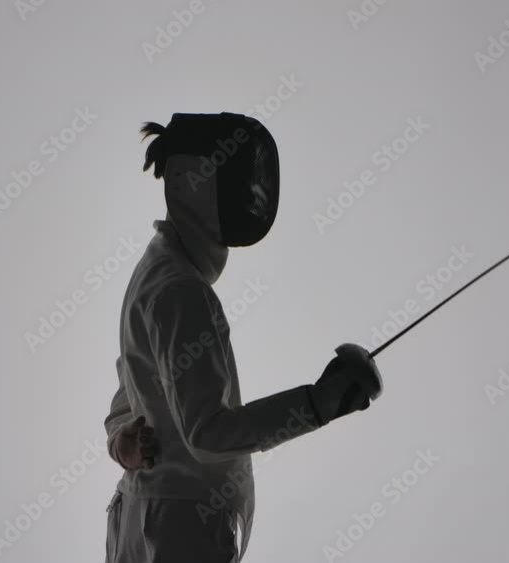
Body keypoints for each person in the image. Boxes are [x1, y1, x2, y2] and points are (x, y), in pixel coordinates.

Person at [103, 113, 384, 563]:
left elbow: (126, 400)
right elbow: (208, 435)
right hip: (180, 527)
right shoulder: (180, 290)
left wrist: (122, 441)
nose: (249, 195)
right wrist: (318, 404)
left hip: (141, 517)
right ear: (194, 183)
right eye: (236, 181)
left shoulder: (153, 273)